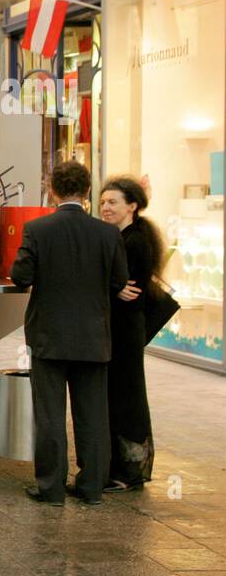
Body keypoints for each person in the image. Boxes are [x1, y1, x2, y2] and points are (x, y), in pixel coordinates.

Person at [10, 161, 128, 506]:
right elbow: (119, 281)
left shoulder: (38, 229)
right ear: (88, 192)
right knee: (92, 415)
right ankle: (92, 486)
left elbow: (21, 276)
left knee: (50, 415)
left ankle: (51, 488)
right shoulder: (108, 233)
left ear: (52, 191)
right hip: (93, 335)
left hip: (49, 335)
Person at [98, 176, 162, 492]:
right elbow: (116, 286)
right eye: (103, 201)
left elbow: (126, 289)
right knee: (122, 395)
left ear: (132, 206)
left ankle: (128, 471)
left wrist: (110, 285)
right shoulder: (123, 236)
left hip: (125, 331)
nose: (105, 207)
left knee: (126, 397)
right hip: (121, 328)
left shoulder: (133, 241)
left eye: (113, 202)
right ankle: (124, 469)